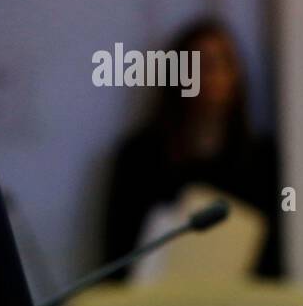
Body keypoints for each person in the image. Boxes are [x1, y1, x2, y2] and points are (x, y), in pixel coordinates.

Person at [101, 17, 283, 279]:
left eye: (223, 63)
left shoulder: (262, 158)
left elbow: (273, 258)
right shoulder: (139, 157)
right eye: (201, 66)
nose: (213, 77)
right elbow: (118, 255)